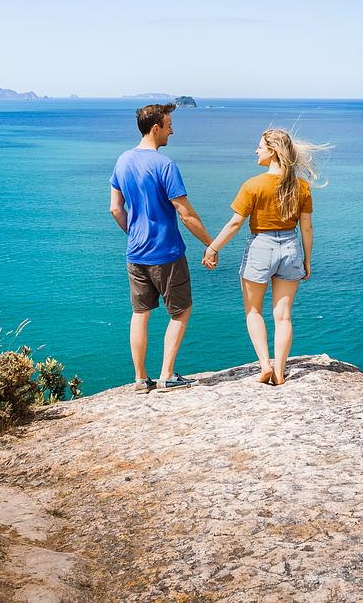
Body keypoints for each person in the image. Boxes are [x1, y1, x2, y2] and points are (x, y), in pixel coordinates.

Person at [202, 129, 328, 385]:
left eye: (259, 146)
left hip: (261, 247)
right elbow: (307, 227)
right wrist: (307, 259)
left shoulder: (253, 185)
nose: (256, 151)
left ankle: (264, 366)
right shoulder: (301, 186)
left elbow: (235, 223)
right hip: (291, 247)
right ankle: (280, 372)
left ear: (272, 151)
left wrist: (212, 248)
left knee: (253, 311)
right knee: (283, 316)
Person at [110, 103, 215, 392]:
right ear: (155, 128)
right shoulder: (164, 165)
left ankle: (140, 379)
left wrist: (134, 233)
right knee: (181, 311)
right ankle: (167, 375)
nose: (172, 130)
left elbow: (115, 209)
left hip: (135, 253)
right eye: (169, 125)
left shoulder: (122, 161)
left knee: (140, 314)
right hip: (166, 253)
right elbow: (186, 213)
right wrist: (211, 244)